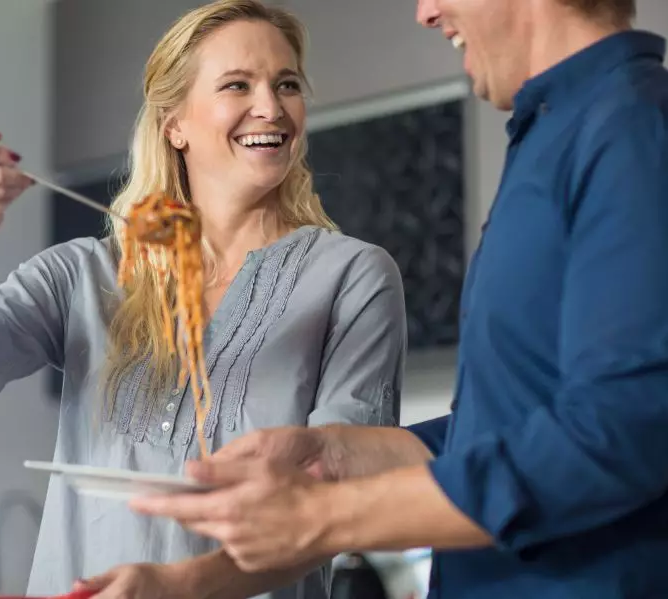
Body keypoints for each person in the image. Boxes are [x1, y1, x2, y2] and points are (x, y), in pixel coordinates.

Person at [130, 0, 668, 598]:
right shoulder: (560, 130)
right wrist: (336, 454)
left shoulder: (633, 131)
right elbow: (516, 425)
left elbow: (626, 430)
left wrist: (322, 517)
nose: (426, 11)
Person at [0, 1, 407, 597]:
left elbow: (341, 497)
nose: (272, 106)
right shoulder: (85, 272)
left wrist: (178, 584)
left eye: (286, 84)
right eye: (238, 84)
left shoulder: (353, 276)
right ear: (174, 123)